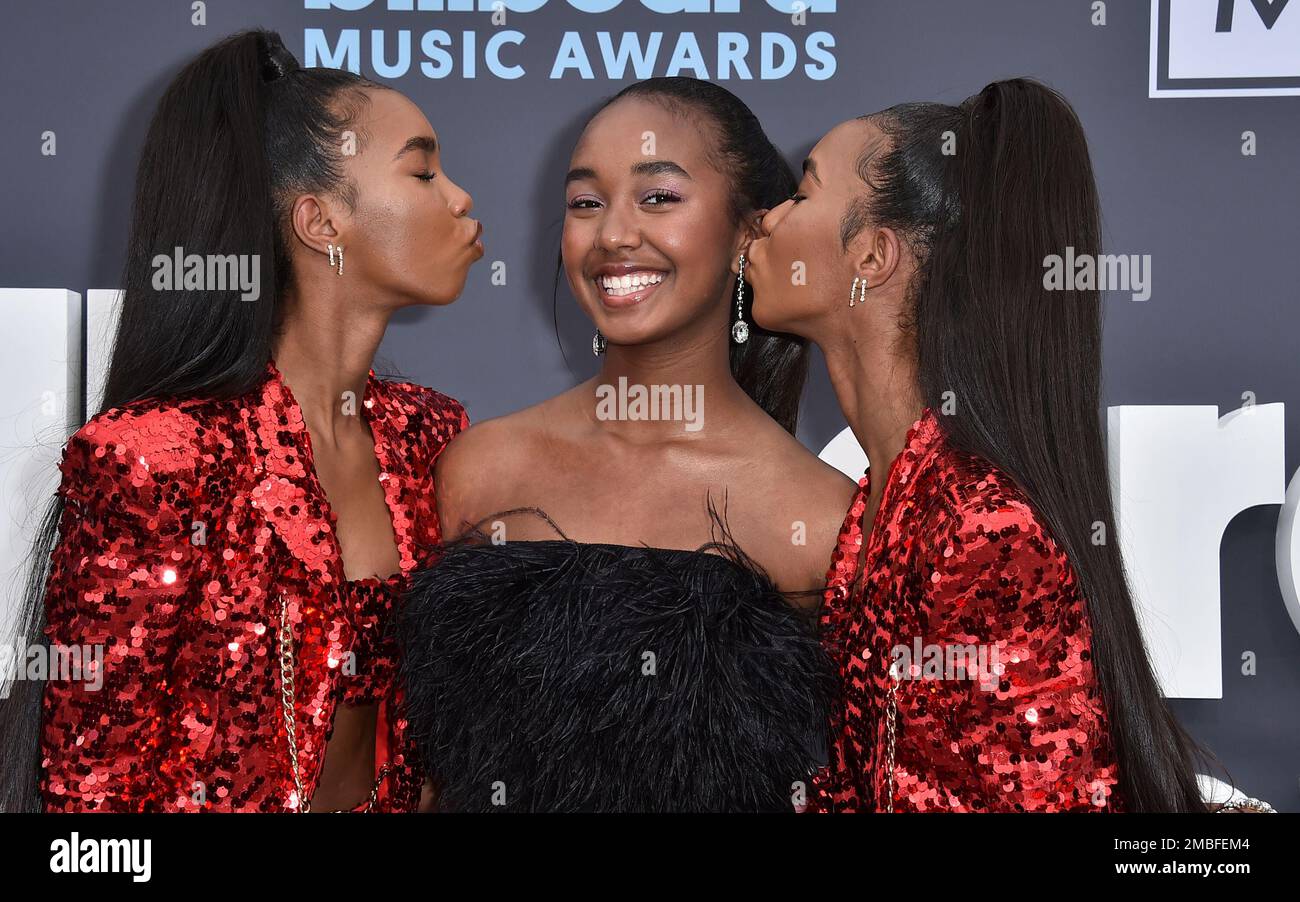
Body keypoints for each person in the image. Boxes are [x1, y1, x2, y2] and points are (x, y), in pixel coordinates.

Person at [0, 29, 480, 812]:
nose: (460, 197)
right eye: (423, 171)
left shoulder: (430, 436)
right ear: (320, 222)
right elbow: (90, 799)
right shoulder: (156, 458)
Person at [745, 79, 1209, 811]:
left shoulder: (982, 529)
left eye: (804, 194)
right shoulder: (884, 503)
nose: (767, 220)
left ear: (872, 257)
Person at [397, 77, 857, 812]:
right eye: (586, 203)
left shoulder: (821, 518)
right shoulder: (479, 468)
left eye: (659, 198)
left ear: (748, 232)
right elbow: (429, 778)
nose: (613, 234)